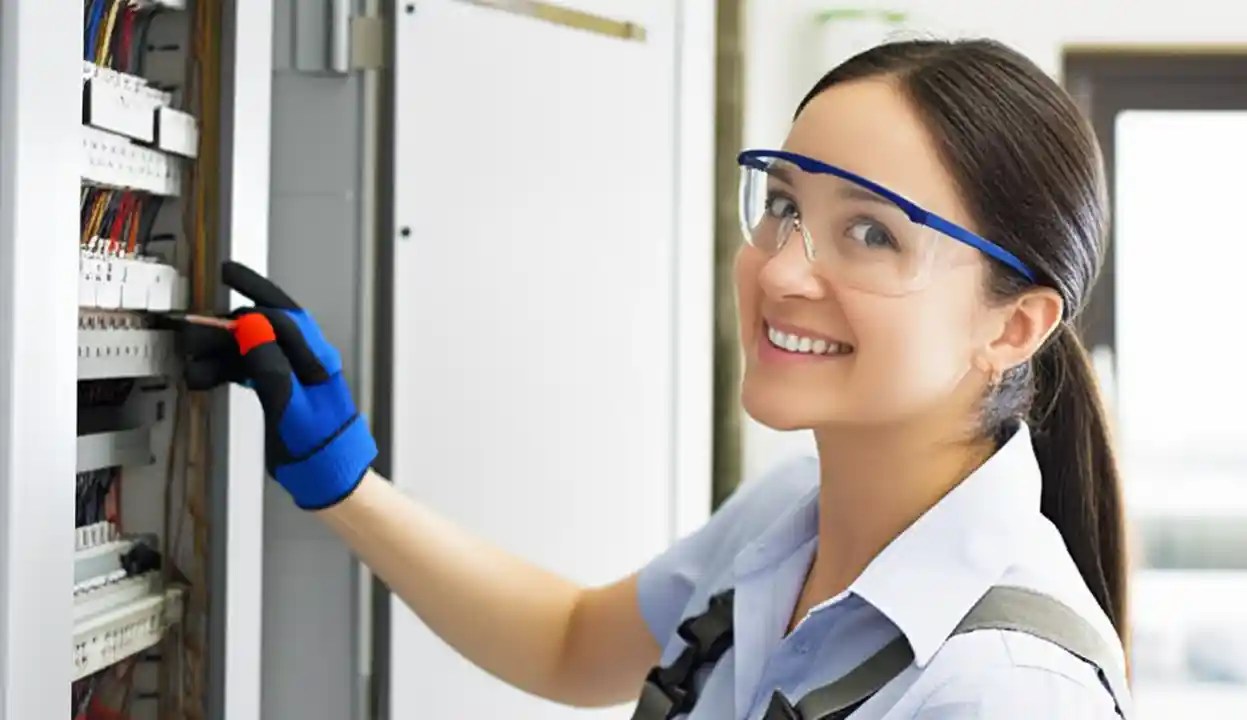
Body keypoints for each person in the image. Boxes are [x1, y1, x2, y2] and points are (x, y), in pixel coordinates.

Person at [180, 38, 1131, 718]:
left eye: (872, 233)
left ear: (1012, 326)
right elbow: (570, 643)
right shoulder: (788, 518)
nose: (784, 269)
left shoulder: (1005, 689)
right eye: (783, 205)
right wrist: (344, 482)